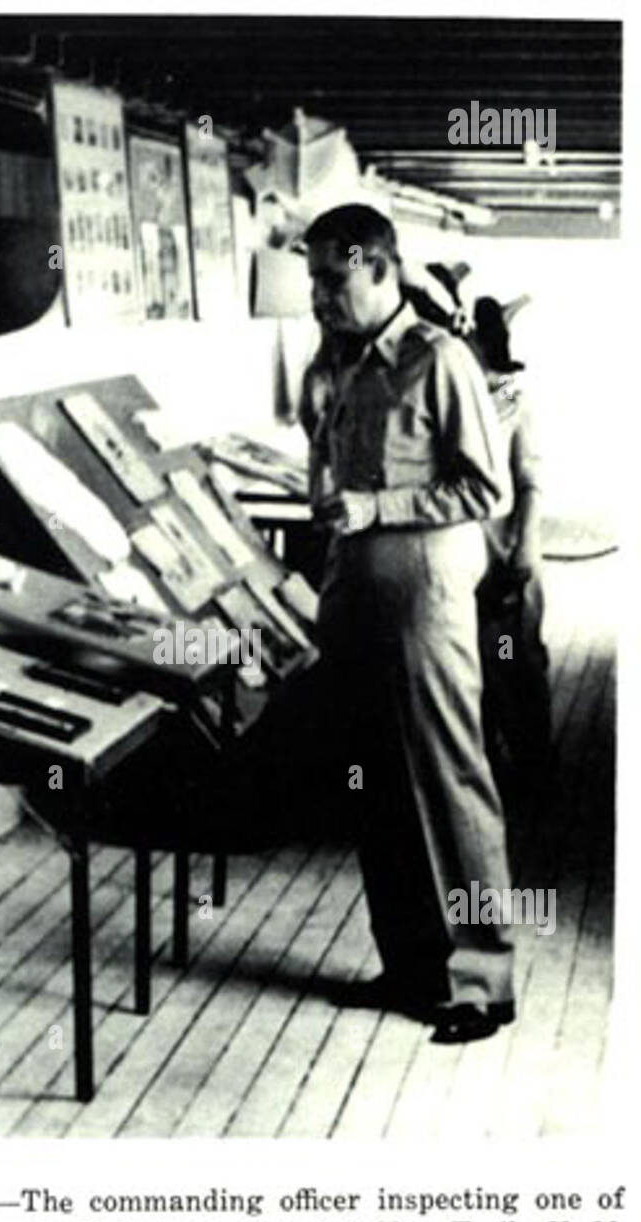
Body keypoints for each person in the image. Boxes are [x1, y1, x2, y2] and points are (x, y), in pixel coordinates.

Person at [301, 203, 516, 1043]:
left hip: (424, 601)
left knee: (448, 780)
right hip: (357, 598)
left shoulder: (440, 359)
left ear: (384, 270)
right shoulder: (345, 364)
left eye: (335, 278)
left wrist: (373, 505)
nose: (320, 295)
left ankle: (480, 983)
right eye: (314, 279)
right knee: (377, 781)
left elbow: (484, 488)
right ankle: (412, 963)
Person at [469, 297, 551, 805]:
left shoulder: (513, 402)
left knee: (513, 661)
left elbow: (530, 481)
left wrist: (524, 545)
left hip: (509, 557)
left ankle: (535, 767)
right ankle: (494, 768)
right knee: (482, 670)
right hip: (468, 564)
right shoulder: (453, 403)